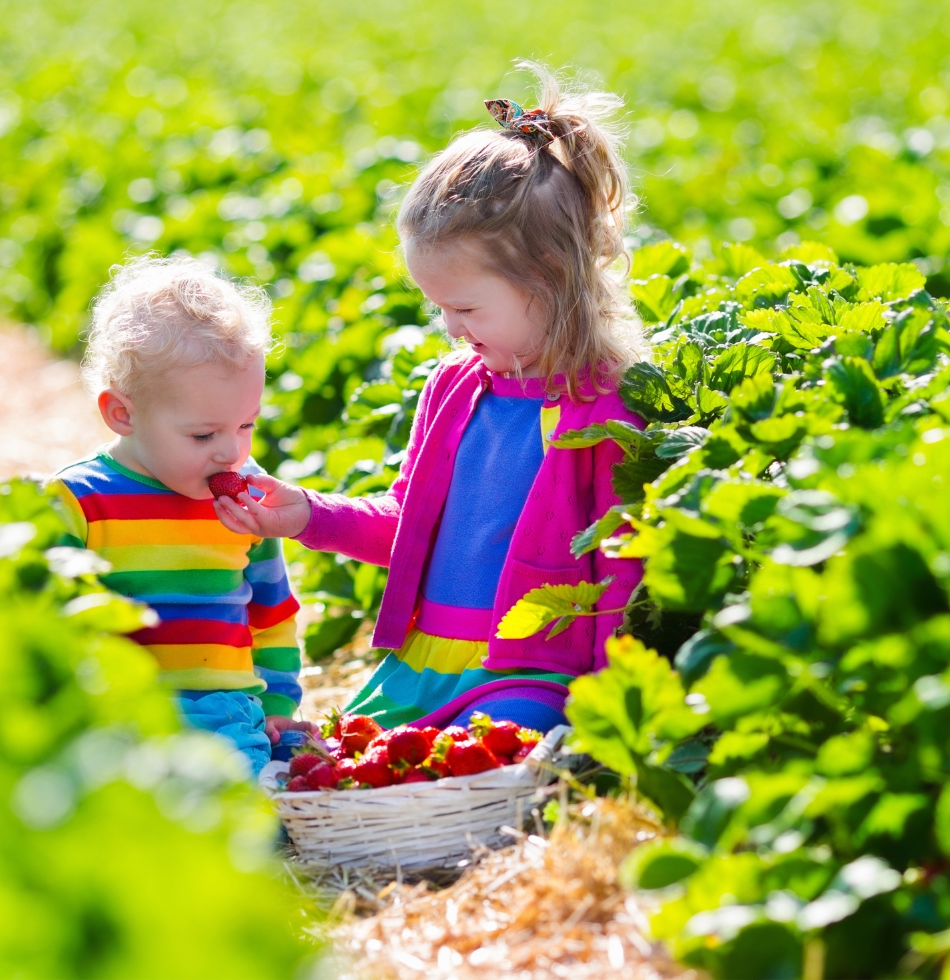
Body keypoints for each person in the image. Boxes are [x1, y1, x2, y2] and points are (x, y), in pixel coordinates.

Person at [213, 64, 650, 734]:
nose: (450, 328)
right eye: (439, 307)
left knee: (491, 749)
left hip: (526, 674)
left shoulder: (603, 409)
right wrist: (306, 515)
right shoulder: (454, 390)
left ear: (552, 279)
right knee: (330, 760)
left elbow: (621, 568)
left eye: (466, 306)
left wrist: (607, 709)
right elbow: (406, 522)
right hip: (421, 666)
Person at [48, 256, 312, 774]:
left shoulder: (245, 502)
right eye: (203, 435)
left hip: (226, 712)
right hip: (120, 713)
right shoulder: (80, 501)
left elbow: (271, 609)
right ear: (122, 414)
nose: (230, 452)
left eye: (246, 425)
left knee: (247, 806)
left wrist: (278, 705)